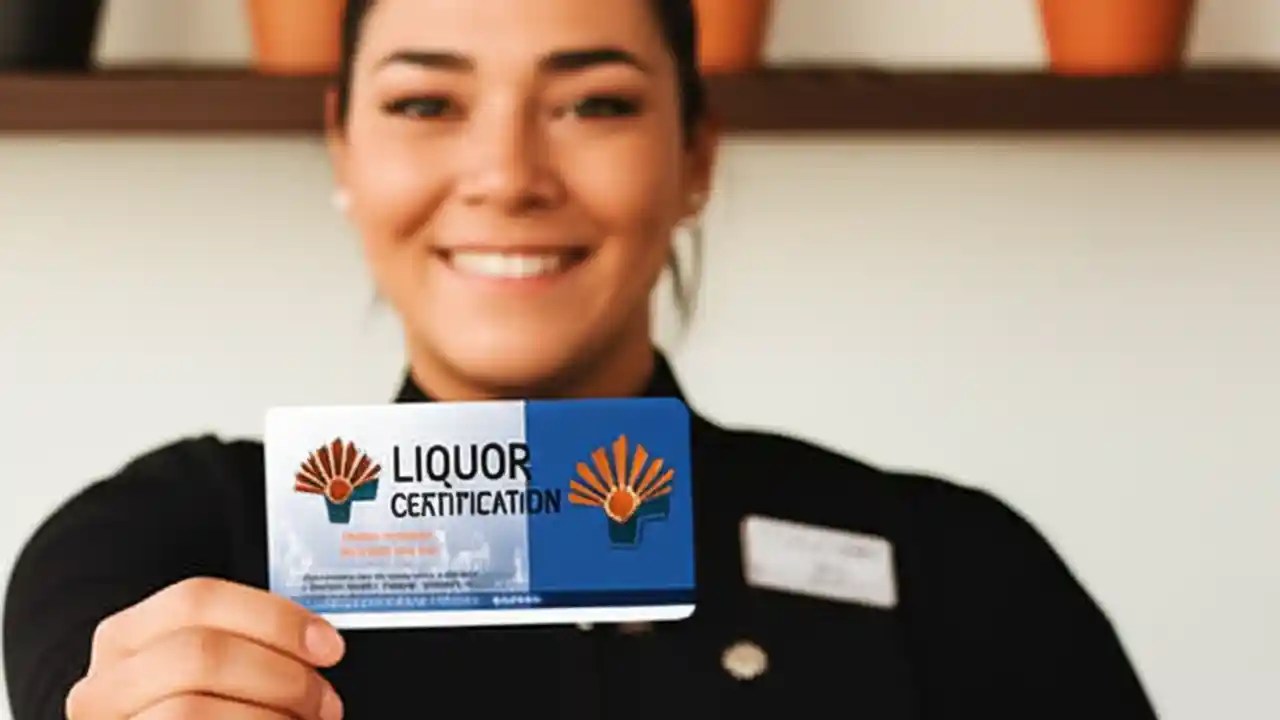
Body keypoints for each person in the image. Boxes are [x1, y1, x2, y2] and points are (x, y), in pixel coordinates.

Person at [3, 0, 1160, 718]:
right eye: (424, 103)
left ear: (696, 154)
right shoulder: (174, 539)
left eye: (593, 102)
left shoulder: (952, 568)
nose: (507, 175)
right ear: (342, 148)